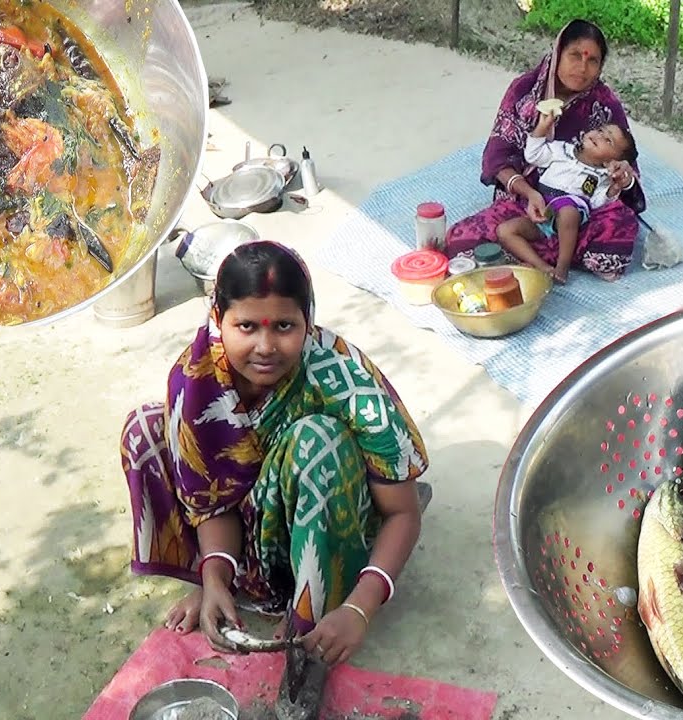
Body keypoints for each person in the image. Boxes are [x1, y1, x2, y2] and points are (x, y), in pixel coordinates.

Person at [118, 241, 429, 690]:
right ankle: (215, 583)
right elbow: (211, 502)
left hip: (327, 523)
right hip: (248, 526)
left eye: (285, 326)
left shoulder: (344, 378)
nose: (266, 347)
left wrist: (360, 607)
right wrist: (215, 574)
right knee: (145, 429)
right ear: (218, 319)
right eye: (246, 326)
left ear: (308, 321)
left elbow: (403, 512)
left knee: (316, 442)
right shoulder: (198, 378)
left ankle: (313, 605)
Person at [443, 19, 646, 282]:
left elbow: (627, 170)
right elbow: (497, 156)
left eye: (592, 61)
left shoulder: (605, 104)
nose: (582, 68)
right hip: (526, 204)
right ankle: (551, 256)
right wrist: (529, 193)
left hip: (583, 210)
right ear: (558, 53)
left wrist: (623, 178)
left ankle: (540, 256)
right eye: (574, 55)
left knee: (623, 226)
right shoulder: (524, 90)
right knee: (460, 240)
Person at [498, 110, 637, 283]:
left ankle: (562, 267)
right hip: (543, 210)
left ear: (611, 161)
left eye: (608, 141)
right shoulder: (561, 149)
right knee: (505, 231)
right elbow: (533, 155)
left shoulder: (601, 175)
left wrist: (614, 188)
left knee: (568, 211)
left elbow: (597, 202)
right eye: (601, 130)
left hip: (571, 210)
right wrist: (542, 128)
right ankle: (543, 267)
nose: (599, 136)